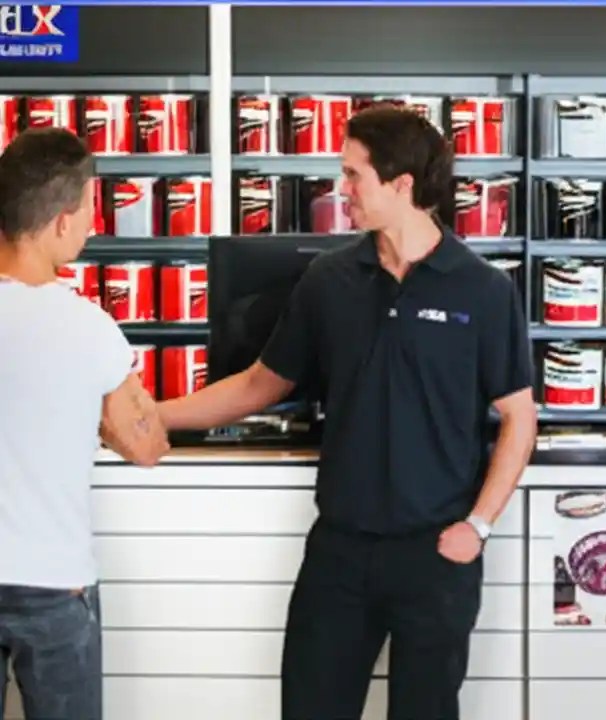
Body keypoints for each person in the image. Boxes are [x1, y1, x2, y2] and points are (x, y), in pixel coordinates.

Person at [158, 105, 538, 720]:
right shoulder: (328, 280)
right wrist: (158, 415)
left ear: (401, 184)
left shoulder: (483, 289)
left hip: (435, 555)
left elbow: (519, 418)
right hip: (338, 553)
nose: (342, 189)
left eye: (353, 174)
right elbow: (260, 383)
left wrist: (480, 527)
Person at [0, 128, 170, 720]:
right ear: (60, 223)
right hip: (53, 585)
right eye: (88, 212)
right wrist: (92, 414)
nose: (93, 227)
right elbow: (147, 446)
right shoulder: (87, 326)